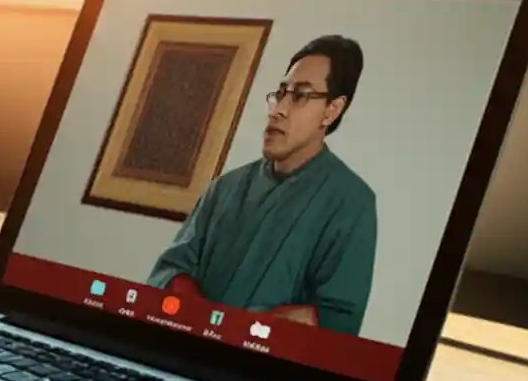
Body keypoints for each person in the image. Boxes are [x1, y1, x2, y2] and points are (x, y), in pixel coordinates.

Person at [146, 35, 377, 335]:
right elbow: (170, 270)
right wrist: (196, 310)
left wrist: (252, 329)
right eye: (280, 93)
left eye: (300, 96)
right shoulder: (225, 188)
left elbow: (337, 322)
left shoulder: (351, 203)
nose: (278, 109)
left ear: (332, 110)